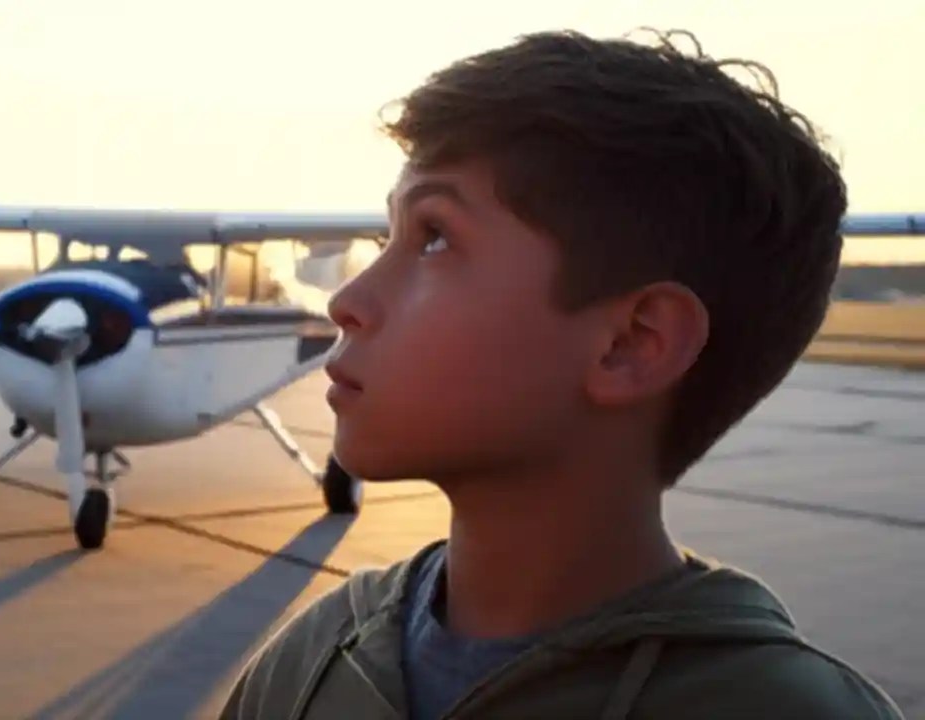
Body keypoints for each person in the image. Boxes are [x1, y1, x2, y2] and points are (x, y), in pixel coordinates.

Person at [219, 28, 904, 719]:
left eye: (434, 238)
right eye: (384, 239)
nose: (347, 302)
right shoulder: (308, 661)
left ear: (632, 344)